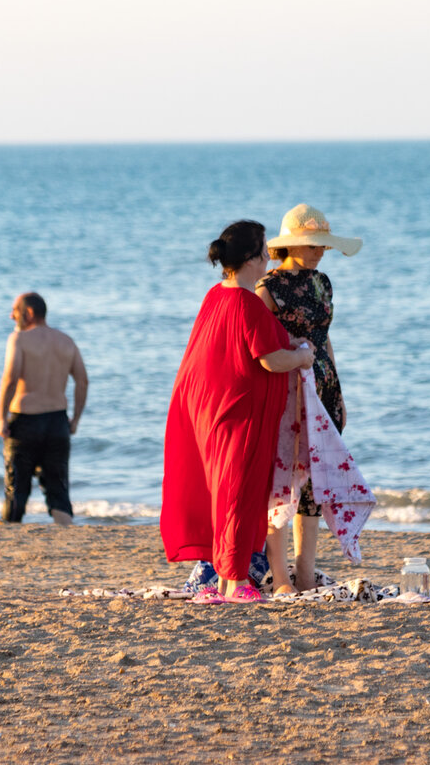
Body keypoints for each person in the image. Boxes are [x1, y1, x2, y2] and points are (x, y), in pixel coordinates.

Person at [161, 220, 314, 604]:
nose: (268, 258)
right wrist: (302, 355)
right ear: (249, 259)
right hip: (238, 413)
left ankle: (232, 579)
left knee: (229, 492)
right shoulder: (246, 303)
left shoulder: (216, 295)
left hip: (210, 409)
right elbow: (270, 360)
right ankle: (234, 582)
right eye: (263, 251)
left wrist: (286, 345)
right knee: (239, 493)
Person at [258, 204, 362, 594]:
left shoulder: (323, 282)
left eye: (324, 244)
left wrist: (339, 393)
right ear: (291, 244)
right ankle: (282, 577)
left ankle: (305, 574)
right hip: (286, 389)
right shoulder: (267, 288)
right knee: (283, 479)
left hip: (324, 386)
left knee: (317, 482)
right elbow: (259, 344)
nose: (320, 250)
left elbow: (325, 337)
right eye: (313, 243)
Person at [0, 292, 88, 526]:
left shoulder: (19, 339)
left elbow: (10, 378)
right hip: (57, 422)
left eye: (15, 311)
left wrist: (1, 418)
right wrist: (75, 419)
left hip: (25, 421)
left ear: (28, 313)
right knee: (58, 490)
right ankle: (66, 534)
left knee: (16, 489)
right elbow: (83, 380)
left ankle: (10, 534)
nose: (11, 316)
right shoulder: (66, 341)